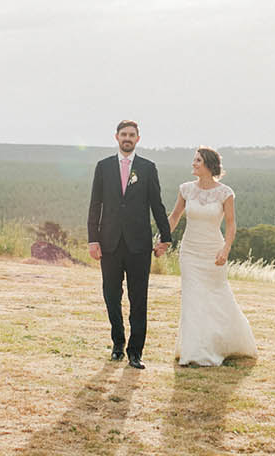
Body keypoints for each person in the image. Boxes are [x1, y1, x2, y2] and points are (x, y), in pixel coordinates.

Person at [87, 120, 172, 369]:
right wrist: (93, 239)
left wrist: (165, 237)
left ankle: (135, 351)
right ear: (116, 137)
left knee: (139, 299)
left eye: (131, 135)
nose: (127, 138)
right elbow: (95, 205)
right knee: (112, 297)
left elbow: (157, 204)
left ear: (138, 138)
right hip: (109, 243)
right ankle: (117, 344)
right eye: (123, 134)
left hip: (139, 245)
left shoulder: (147, 168)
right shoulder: (103, 167)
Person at [167, 146, 257, 367]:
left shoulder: (225, 193)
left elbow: (230, 223)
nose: (193, 164)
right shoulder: (185, 189)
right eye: (194, 160)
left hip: (213, 251)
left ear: (208, 164)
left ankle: (222, 343)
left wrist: (226, 248)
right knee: (192, 298)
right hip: (189, 252)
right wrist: (162, 238)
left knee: (216, 296)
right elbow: (175, 216)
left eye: (197, 160)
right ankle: (193, 351)